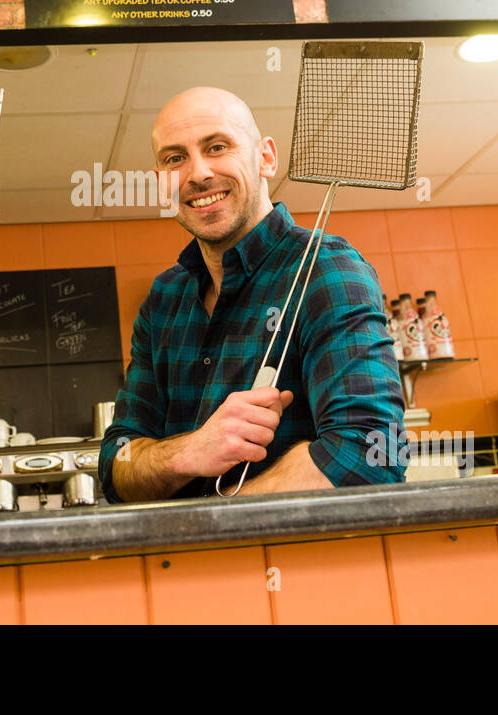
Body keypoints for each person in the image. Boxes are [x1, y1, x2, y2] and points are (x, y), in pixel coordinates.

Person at [99, 87, 406, 502]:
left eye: (218, 146)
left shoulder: (325, 269)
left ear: (266, 157)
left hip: (300, 563)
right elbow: (116, 465)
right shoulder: (164, 298)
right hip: (182, 566)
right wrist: (191, 450)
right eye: (175, 158)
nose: (198, 174)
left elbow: (372, 455)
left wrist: (211, 522)